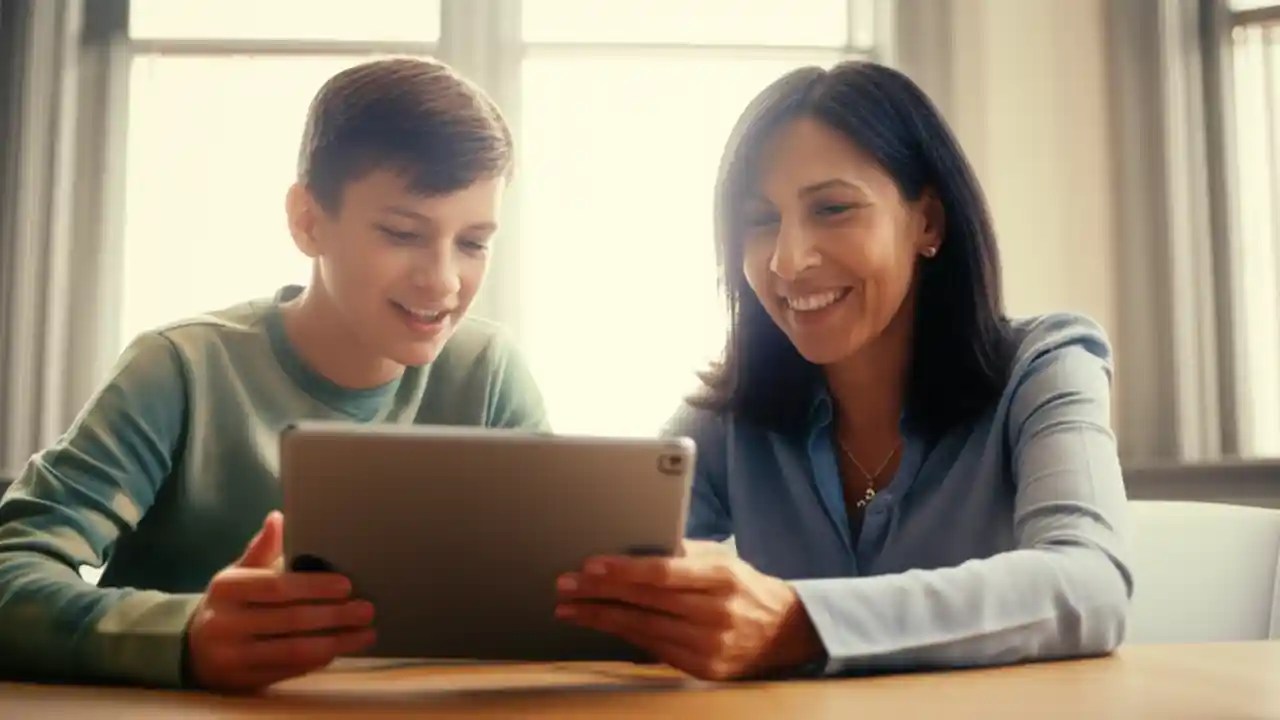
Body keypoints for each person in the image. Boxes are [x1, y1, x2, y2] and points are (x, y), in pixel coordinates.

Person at [554, 60, 1131, 680]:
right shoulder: (731, 414)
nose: (788, 260)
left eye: (832, 208)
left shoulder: (1045, 367)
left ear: (927, 222)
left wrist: (801, 622)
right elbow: (579, 581)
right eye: (760, 220)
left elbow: (1090, 584)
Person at [0, 57, 547, 691]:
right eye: (402, 233)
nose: (445, 281)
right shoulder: (180, 368)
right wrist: (185, 632)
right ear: (308, 220)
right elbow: (10, 572)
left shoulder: (489, 374)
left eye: (474, 243)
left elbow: (546, 597)